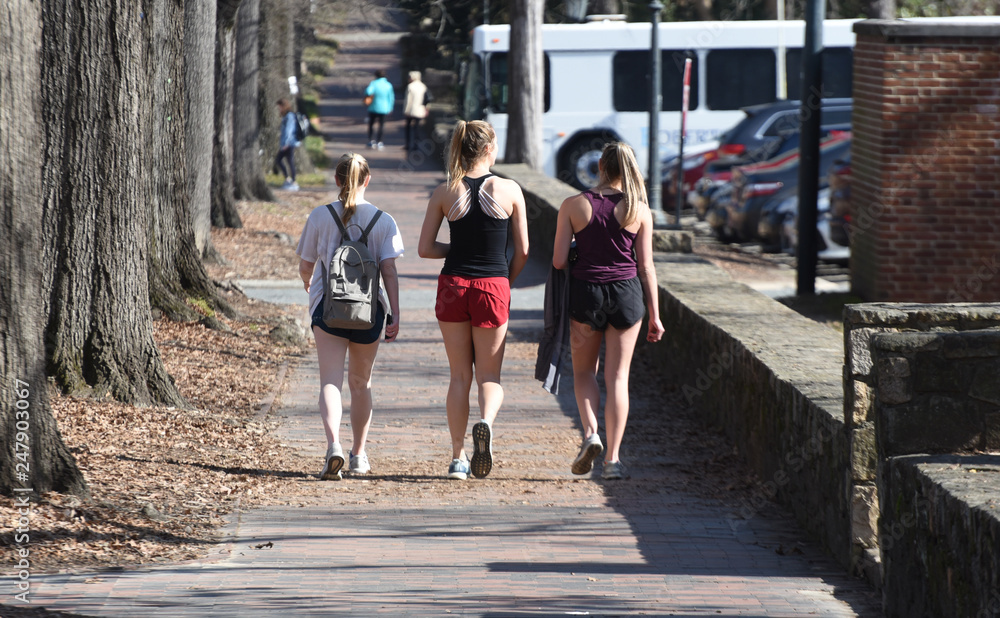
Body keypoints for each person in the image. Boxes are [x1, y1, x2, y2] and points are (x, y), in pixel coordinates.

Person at [418, 120, 529, 480]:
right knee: (490, 376)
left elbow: (424, 248)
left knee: (458, 376)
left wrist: (459, 248)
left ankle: (457, 458)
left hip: (453, 284)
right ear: (488, 149)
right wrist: (504, 280)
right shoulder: (510, 189)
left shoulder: (444, 191)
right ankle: (486, 422)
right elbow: (524, 250)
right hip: (492, 285)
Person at [552, 141, 665, 480]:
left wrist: (578, 251)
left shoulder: (574, 205)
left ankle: (590, 434)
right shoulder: (639, 210)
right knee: (618, 378)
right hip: (628, 296)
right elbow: (646, 267)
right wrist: (656, 315)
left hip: (587, 294)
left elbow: (558, 260)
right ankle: (613, 461)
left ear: (600, 164)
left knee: (585, 373)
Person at [296, 153, 404, 481]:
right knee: (361, 383)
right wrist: (394, 313)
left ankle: (333, 447)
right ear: (366, 180)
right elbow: (389, 269)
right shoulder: (384, 221)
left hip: (328, 310)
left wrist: (309, 288)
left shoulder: (320, 215)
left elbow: (306, 266)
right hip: (369, 314)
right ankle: (359, 455)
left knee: (330, 380)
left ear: (337, 180)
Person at [364, 69, 395, 150]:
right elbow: (391, 98)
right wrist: (390, 108)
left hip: (373, 107)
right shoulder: (388, 85)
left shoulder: (373, 84)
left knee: (371, 124)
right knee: (381, 125)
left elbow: (368, 92)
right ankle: (380, 142)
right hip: (384, 108)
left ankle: (371, 141)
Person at [275, 98, 301, 190]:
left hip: (289, 143)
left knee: (287, 161)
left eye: (280, 107)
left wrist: (285, 143)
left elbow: (288, 131)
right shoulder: (287, 116)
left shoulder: (289, 116)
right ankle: (289, 179)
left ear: (283, 106)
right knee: (282, 160)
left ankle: (293, 181)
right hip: (287, 143)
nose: (279, 109)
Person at [402, 71, 428, 152]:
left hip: (411, 110)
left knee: (408, 128)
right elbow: (426, 99)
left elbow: (408, 100)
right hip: (420, 109)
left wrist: (406, 111)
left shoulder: (410, 86)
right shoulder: (423, 86)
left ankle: (408, 144)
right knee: (417, 128)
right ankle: (416, 145)